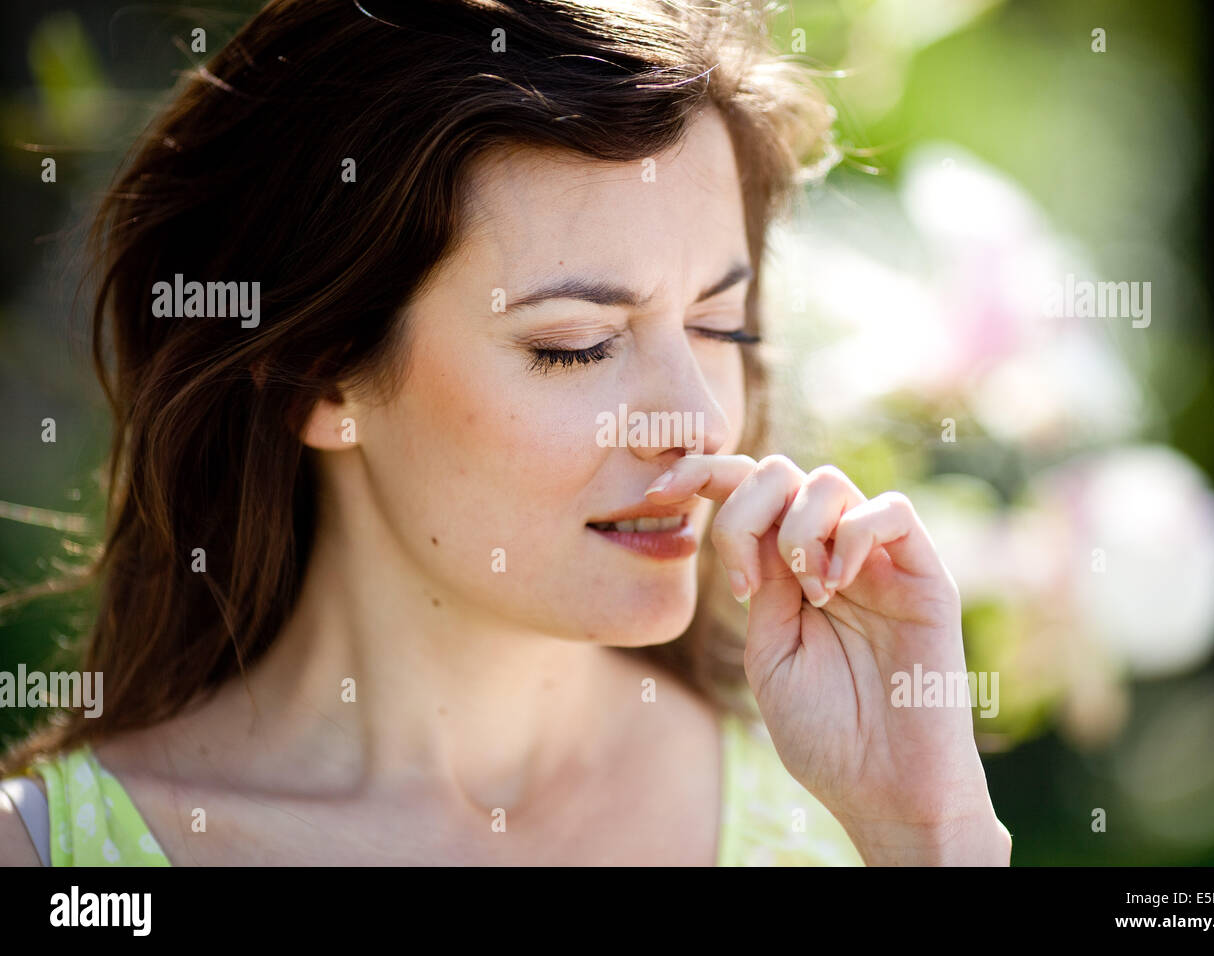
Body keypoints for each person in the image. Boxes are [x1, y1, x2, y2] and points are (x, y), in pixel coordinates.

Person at [0, 0, 1011, 866]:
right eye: (574, 345)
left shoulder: (838, 817)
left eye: (718, 325)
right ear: (317, 376)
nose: (700, 421)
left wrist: (932, 832)